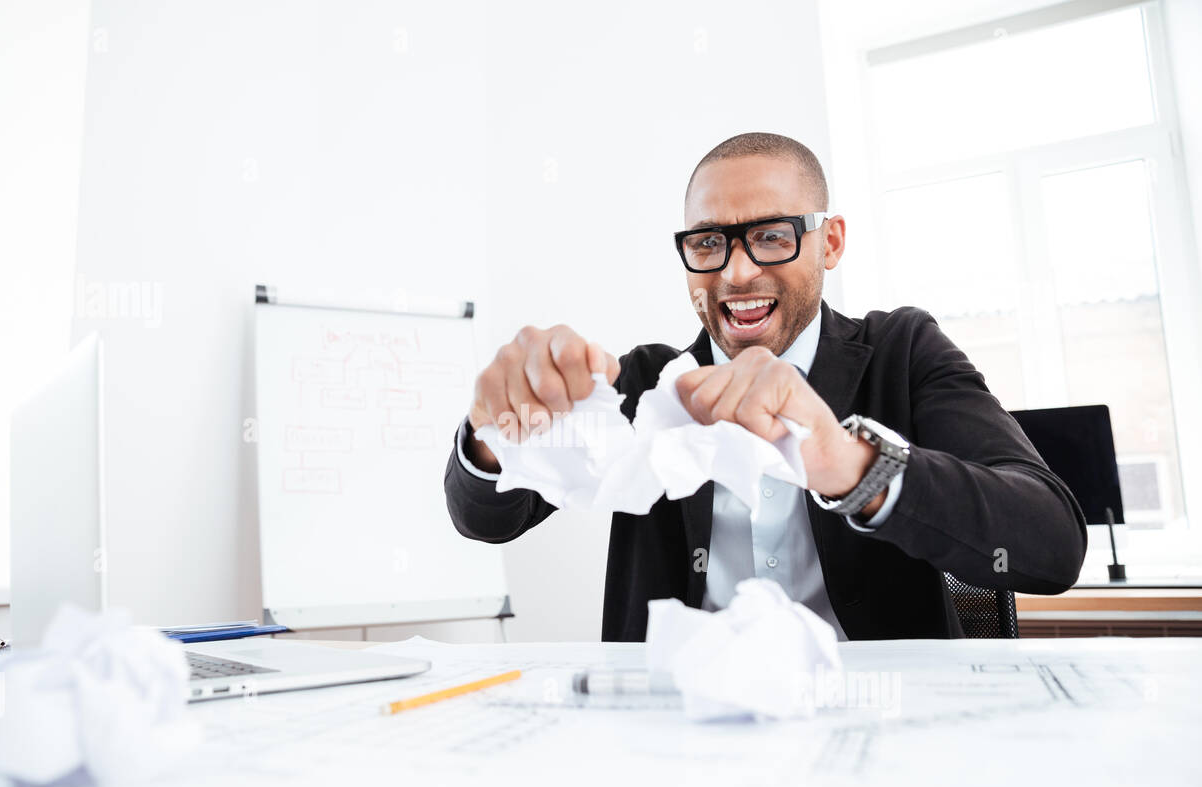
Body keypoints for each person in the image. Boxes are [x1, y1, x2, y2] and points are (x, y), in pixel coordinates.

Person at [444, 132, 1087, 642]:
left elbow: (1050, 547)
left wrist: (850, 464)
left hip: (877, 731)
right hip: (680, 739)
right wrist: (498, 432)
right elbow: (484, 519)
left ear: (828, 242)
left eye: (772, 237)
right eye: (708, 243)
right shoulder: (646, 384)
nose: (737, 271)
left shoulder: (901, 352)